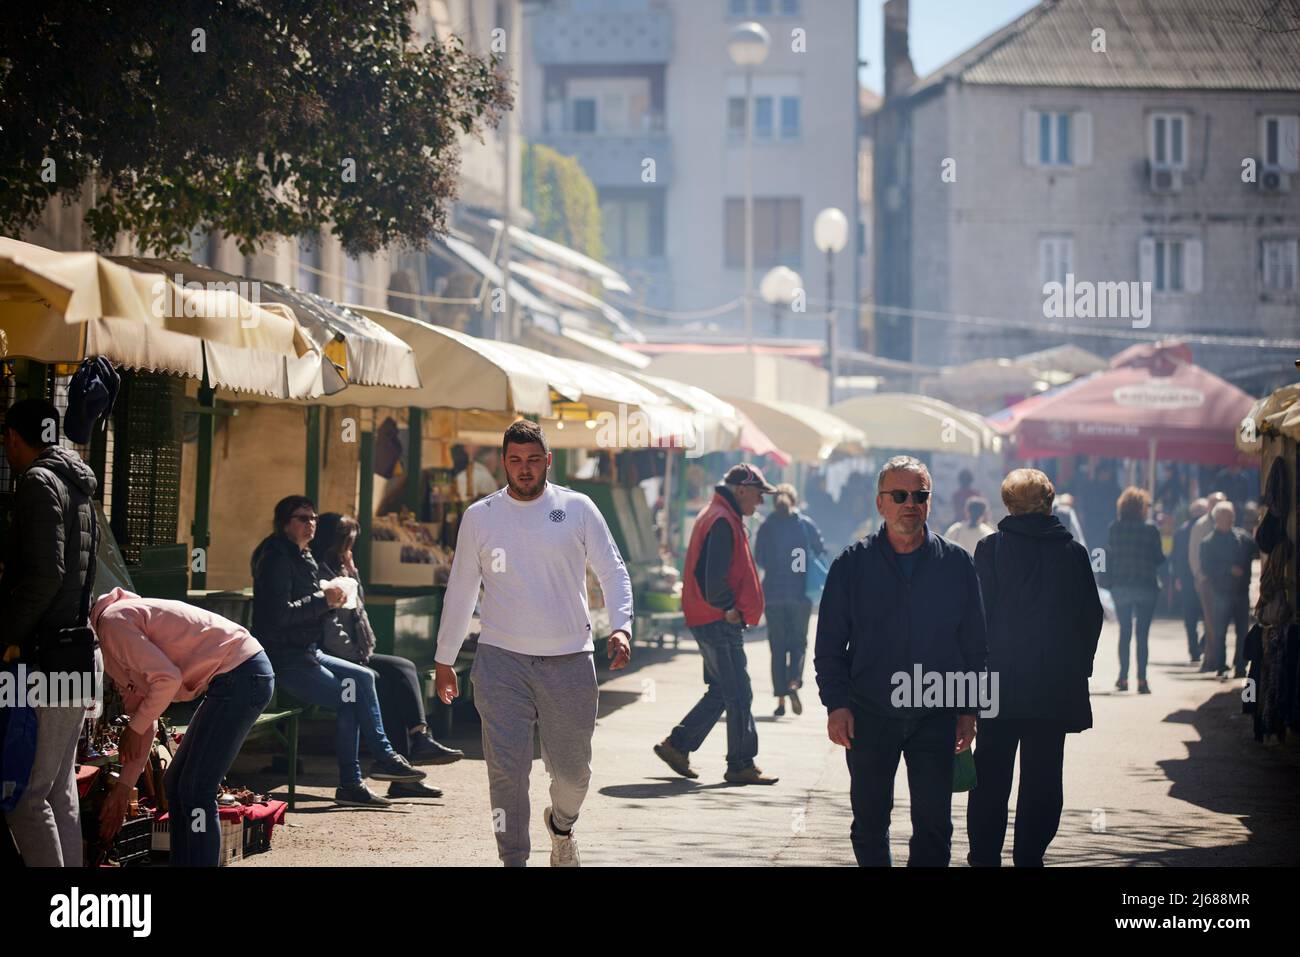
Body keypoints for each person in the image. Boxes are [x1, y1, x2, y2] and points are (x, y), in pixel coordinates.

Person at [434, 421, 633, 867]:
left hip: (570, 660)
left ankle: (561, 827)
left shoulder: (577, 508)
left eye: (532, 460)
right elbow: (462, 589)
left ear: (547, 461)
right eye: (515, 460)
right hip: (501, 661)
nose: (524, 469)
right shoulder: (481, 516)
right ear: (503, 463)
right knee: (507, 772)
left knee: (573, 773)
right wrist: (444, 659)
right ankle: (513, 859)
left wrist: (621, 626)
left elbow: (613, 571)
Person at [814, 455, 986, 867]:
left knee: (933, 825)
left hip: (936, 714)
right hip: (869, 712)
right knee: (870, 822)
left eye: (920, 495)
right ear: (881, 503)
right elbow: (829, 645)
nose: (911, 503)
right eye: (900, 495)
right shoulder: (851, 565)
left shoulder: (957, 564)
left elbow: (975, 644)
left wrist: (969, 709)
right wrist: (836, 704)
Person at [251, 495, 426, 808]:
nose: (310, 524)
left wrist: (335, 593)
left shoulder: (304, 555)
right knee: (352, 697)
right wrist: (323, 601)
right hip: (285, 658)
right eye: (302, 519)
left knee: (364, 677)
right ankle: (358, 777)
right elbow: (277, 616)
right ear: (284, 523)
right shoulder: (276, 557)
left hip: (309, 651)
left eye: (313, 518)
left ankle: (377, 763)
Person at [968, 469, 1102, 867]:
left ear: (1008, 504)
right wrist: (1077, 668)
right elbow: (1091, 617)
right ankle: (1029, 856)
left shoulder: (990, 549)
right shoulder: (1074, 553)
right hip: (1053, 687)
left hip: (998, 685)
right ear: (1049, 502)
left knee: (990, 777)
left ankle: (985, 856)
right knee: (1044, 777)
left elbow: (977, 617)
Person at [89, 588, 274, 865]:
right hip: (234, 677)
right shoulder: (113, 636)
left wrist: (134, 728)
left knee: (197, 788)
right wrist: (123, 788)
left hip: (242, 675)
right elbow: (146, 716)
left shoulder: (113, 624)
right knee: (175, 783)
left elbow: (167, 679)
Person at [0, 399, 101, 867]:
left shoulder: (38, 482)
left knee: (26, 798)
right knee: (57, 790)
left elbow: (44, 575)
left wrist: (8, 635)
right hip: (78, 653)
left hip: (48, 656)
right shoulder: (78, 485)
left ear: (15, 438)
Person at [311, 512, 463, 798]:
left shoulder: (342, 571)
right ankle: (406, 765)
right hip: (333, 655)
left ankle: (420, 738)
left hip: (354, 653)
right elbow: (330, 630)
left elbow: (358, 609)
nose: (350, 548)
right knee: (384, 682)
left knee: (402, 667)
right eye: (347, 542)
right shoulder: (320, 574)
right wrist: (356, 657)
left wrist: (352, 572)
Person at [654, 463, 779, 786]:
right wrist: (729, 607)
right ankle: (740, 763)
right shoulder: (722, 519)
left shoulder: (719, 513)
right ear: (740, 490)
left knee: (723, 689)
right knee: (739, 691)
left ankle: (678, 745)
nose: (760, 502)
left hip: (707, 617)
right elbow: (712, 579)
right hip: (718, 619)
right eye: (758, 494)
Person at [754, 483, 826, 717]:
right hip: (800, 595)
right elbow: (820, 548)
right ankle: (794, 681)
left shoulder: (767, 526)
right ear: (794, 501)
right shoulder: (805, 524)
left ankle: (781, 701)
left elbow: (760, 558)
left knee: (777, 648)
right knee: (798, 643)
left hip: (773, 595)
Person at [1104, 487, 1166, 694]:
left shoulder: (1115, 528)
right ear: (1142, 508)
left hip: (1121, 585)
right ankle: (1142, 680)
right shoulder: (1151, 529)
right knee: (1142, 634)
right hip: (1146, 585)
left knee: (1125, 632)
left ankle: (1123, 677)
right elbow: (1159, 558)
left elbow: (1109, 555)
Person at [1199, 501, 1259, 679]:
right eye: (1226, 516)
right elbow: (1206, 568)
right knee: (1220, 632)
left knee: (1243, 631)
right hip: (1221, 593)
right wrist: (1228, 570)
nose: (1230, 519)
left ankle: (1240, 665)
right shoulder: (1208, 542)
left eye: (1231, 516)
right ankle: (1221, 665)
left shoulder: (1243, 537)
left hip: (1241, 592)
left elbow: (1257, 550)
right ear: (1217, 518)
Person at [1189, 491, 1227, 673]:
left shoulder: (1225, 523)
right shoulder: (1201, 525)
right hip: (1206, 581)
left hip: (1225, 582)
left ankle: (1216, 658)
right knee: (1210, 621)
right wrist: (1201, 576)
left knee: (1220, 621)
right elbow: (1194, 554)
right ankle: (1211, 659)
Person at [1171, 498, 1210, 662]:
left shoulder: (1181, 529)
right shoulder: (1204, 528)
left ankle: (1195, 649)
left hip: (1187, 578)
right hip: (1200, 578)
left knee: (1191, 617)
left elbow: (1175, 558)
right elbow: (1177, 556)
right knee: (1206, 615)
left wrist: (1176, 578)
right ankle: (1198, 647)